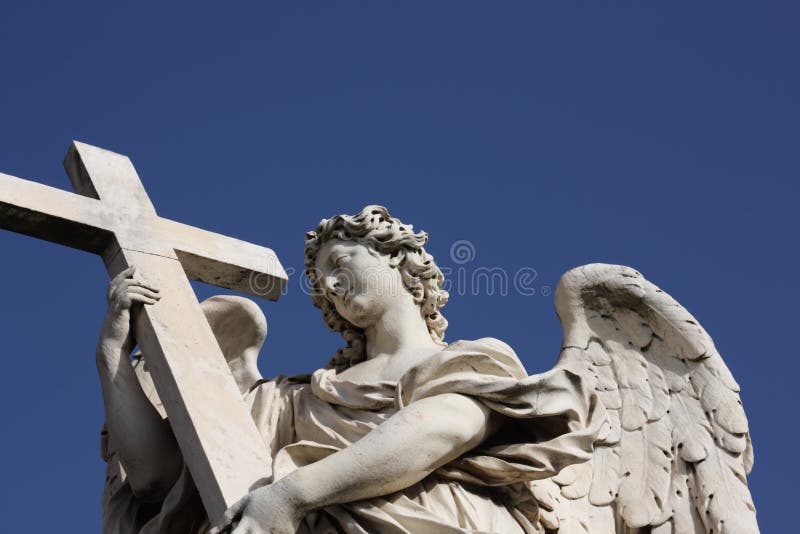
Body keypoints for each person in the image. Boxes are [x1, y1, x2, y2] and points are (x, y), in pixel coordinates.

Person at [98, 205, 605, 534]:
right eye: (322, 282)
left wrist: (292, 495)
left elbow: (442, 429)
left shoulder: (470, 362)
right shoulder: (289, 400)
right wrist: (113, 356)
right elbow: (157, 479)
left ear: (398, 260)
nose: (333, 285)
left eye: (342, 264)